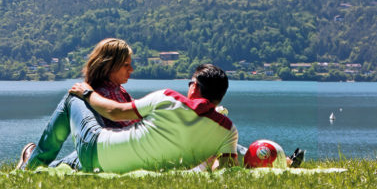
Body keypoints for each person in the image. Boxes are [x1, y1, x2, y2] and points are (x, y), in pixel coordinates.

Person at [17, 63, 239, 173]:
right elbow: (226, 169)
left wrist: (86, 92)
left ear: (195, 87)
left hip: (99, 151)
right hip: (114, 167)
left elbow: (114, 111)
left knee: (71, 99)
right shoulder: (228, 131)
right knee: (78, 159)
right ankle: (34, 161)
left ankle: (31, 165)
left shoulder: (167, 98)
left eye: (190, 82)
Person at [16, 38, 136, 169]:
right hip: (119, 151)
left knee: (72, 97)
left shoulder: (111, 92)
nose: (131, 69)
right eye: (126, 65)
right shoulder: (110, 93)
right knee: (74, 159)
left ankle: (32, 163)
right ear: (109, 66)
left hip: (111, 152)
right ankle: (32, 163)